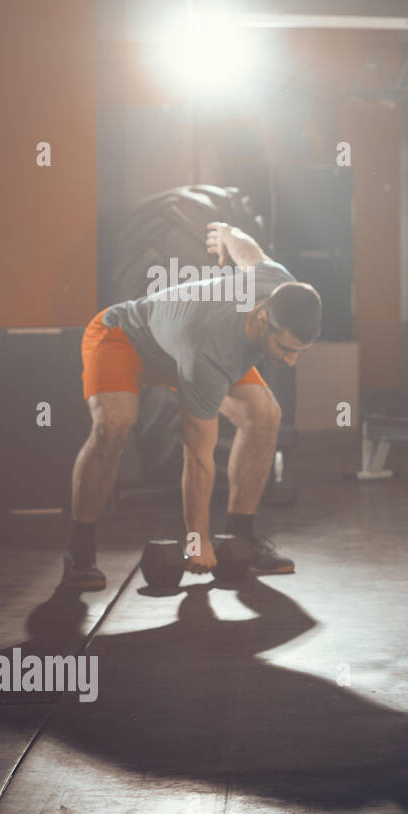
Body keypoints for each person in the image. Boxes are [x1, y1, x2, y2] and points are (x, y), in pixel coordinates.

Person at [60, 222, 320, 591]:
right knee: (116, 423)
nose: (291, 362)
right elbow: (197, 455)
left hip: (184, 345)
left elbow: (250, 252)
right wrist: (197, 540)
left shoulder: (276, 283)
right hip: (125, 338)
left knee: (263, 414)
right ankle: (80, 550)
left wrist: (228, 233)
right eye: (286, 350)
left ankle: (240, 541)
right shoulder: (209, 350)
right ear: (263, 319)